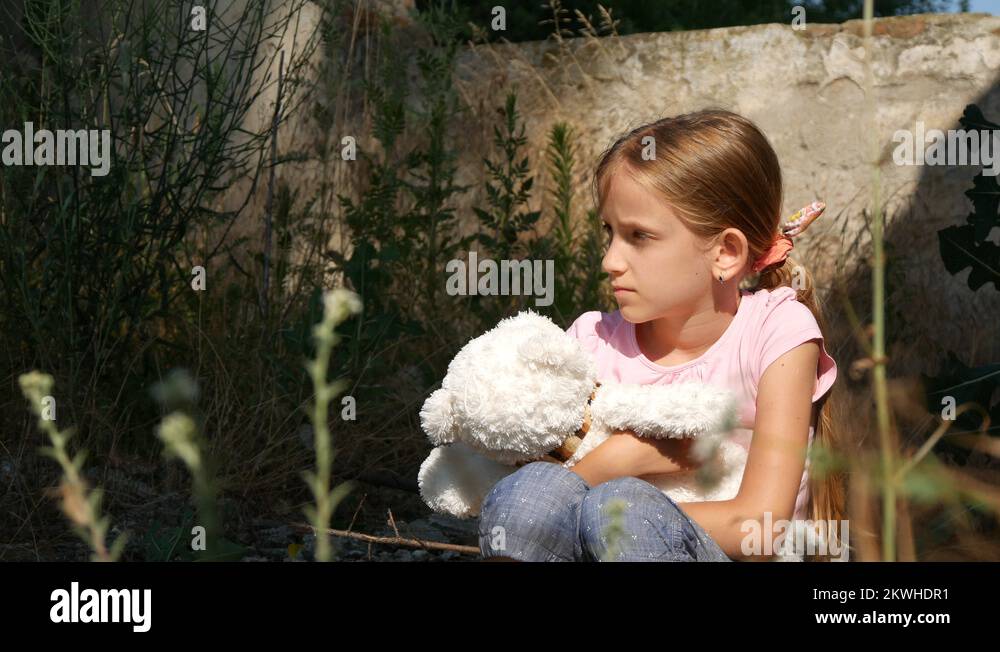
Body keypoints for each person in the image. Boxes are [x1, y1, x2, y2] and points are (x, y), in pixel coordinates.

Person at [478, 109, 844, 562]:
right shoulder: (591, 341)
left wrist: (613, 512)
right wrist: (622, 459)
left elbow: (761, 524)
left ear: (726, 253)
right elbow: (531, 504)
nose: (611, 259)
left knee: (623, 513)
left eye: (639, 236)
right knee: (528, 491)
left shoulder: (776, 331)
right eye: (609, 233)